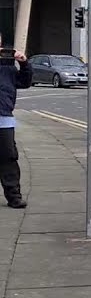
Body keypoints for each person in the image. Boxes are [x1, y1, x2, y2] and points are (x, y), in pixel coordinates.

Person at [0, 40, 32, 209]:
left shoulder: (7, 67)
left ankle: (14, 197)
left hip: (3, 119)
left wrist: (24, 62)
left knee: (8, 158)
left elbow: (25, 82)